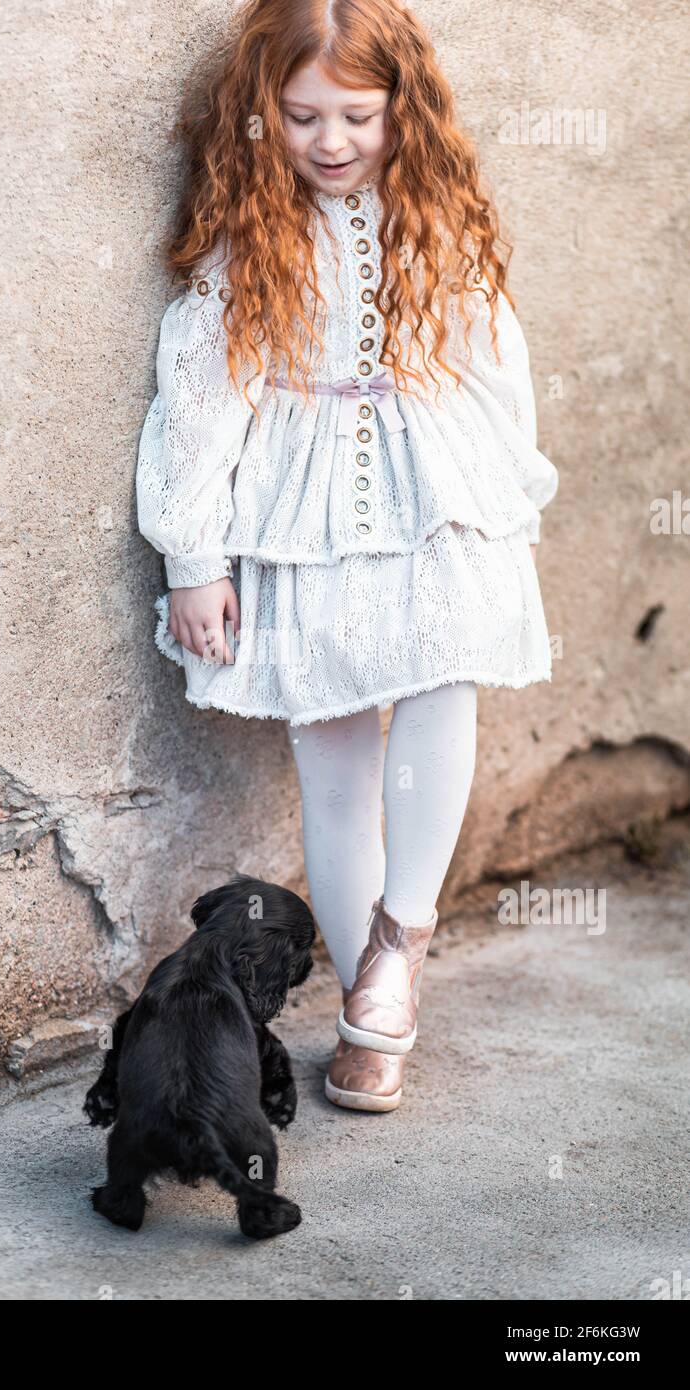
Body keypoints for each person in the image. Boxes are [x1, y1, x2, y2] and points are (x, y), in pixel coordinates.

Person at [135, 0, 559, 1112]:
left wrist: (509, 488)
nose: (331, 142)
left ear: (399, 109)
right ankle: (367, 1008)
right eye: (302, 115)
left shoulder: (437, 217)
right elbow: (200, 399)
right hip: (298, 509)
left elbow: (490, 357)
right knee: (333, 767)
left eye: (357, 116)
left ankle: (392, 962)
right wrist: (194, 556)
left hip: (436, 489)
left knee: (439, 688)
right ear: (260, 113)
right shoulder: (245, 231)